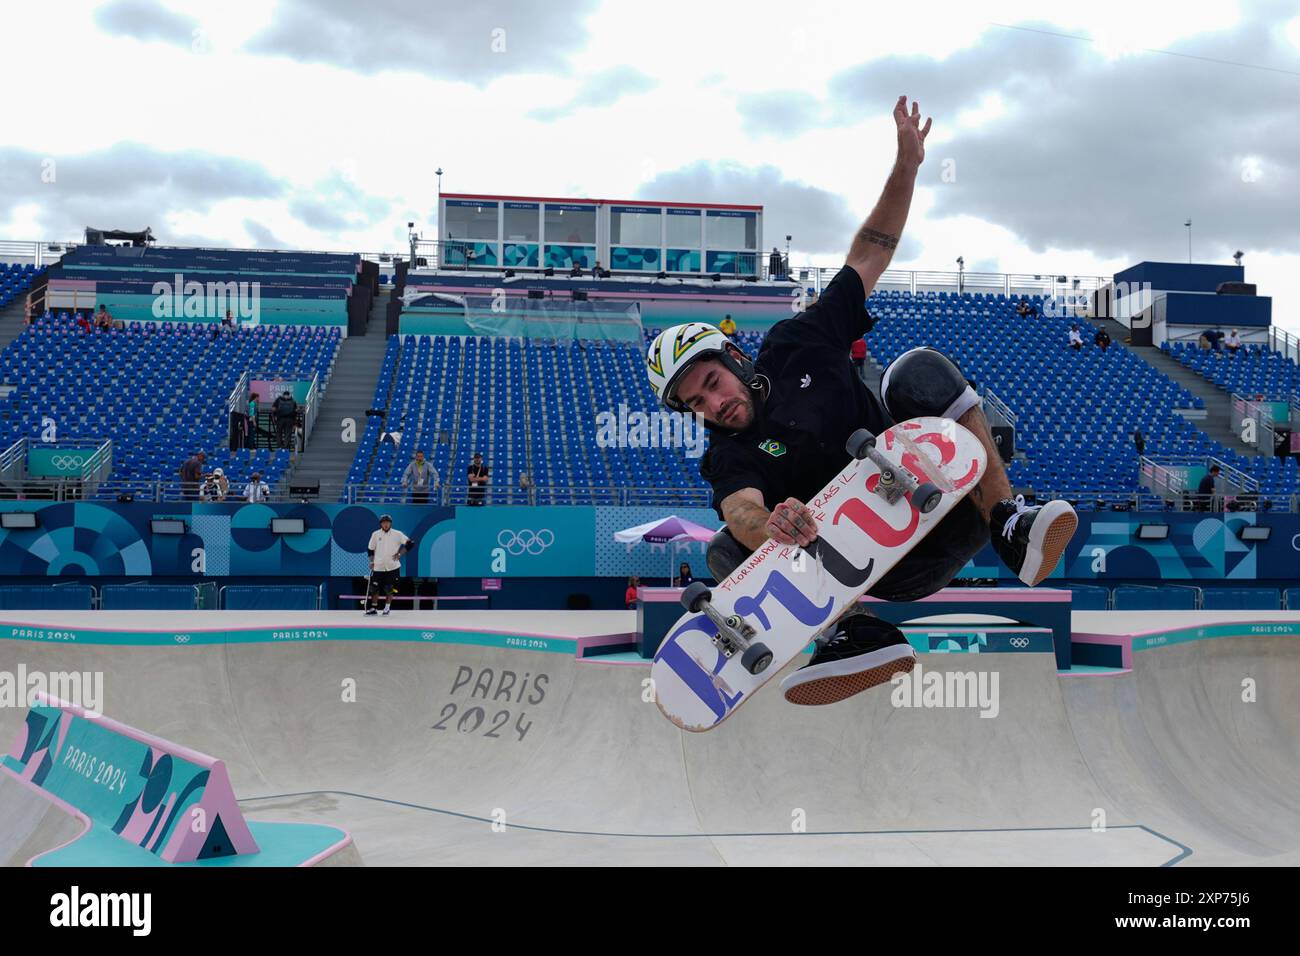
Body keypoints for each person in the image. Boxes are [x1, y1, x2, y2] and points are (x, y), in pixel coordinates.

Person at [645, 96, 1077, 708]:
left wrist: (907, 164)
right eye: (695, 404)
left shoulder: (800, 342)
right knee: (723, 547)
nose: (713, 405)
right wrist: (767, 523)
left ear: (735, 360)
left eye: (711, 384)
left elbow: (871, 250)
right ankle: (852, 633)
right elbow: (740, 507)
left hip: (944, 506)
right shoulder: (728, 451)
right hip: (886, 569)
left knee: (915, 371)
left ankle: (1009, 523)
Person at [366, 514, 411, 616]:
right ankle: (373, 608)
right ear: (381, 524)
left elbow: (410, 543)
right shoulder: (375, 534)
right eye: (383, 522)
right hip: (378, 567)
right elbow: (370, 549)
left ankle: (387, 608)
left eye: (387, 522)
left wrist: (400, 554)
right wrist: (371, 561)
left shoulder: (397, 534)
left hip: (392, 567)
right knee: (374, 588)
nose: (385, 524)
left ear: (390, 523)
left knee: (389, 589)